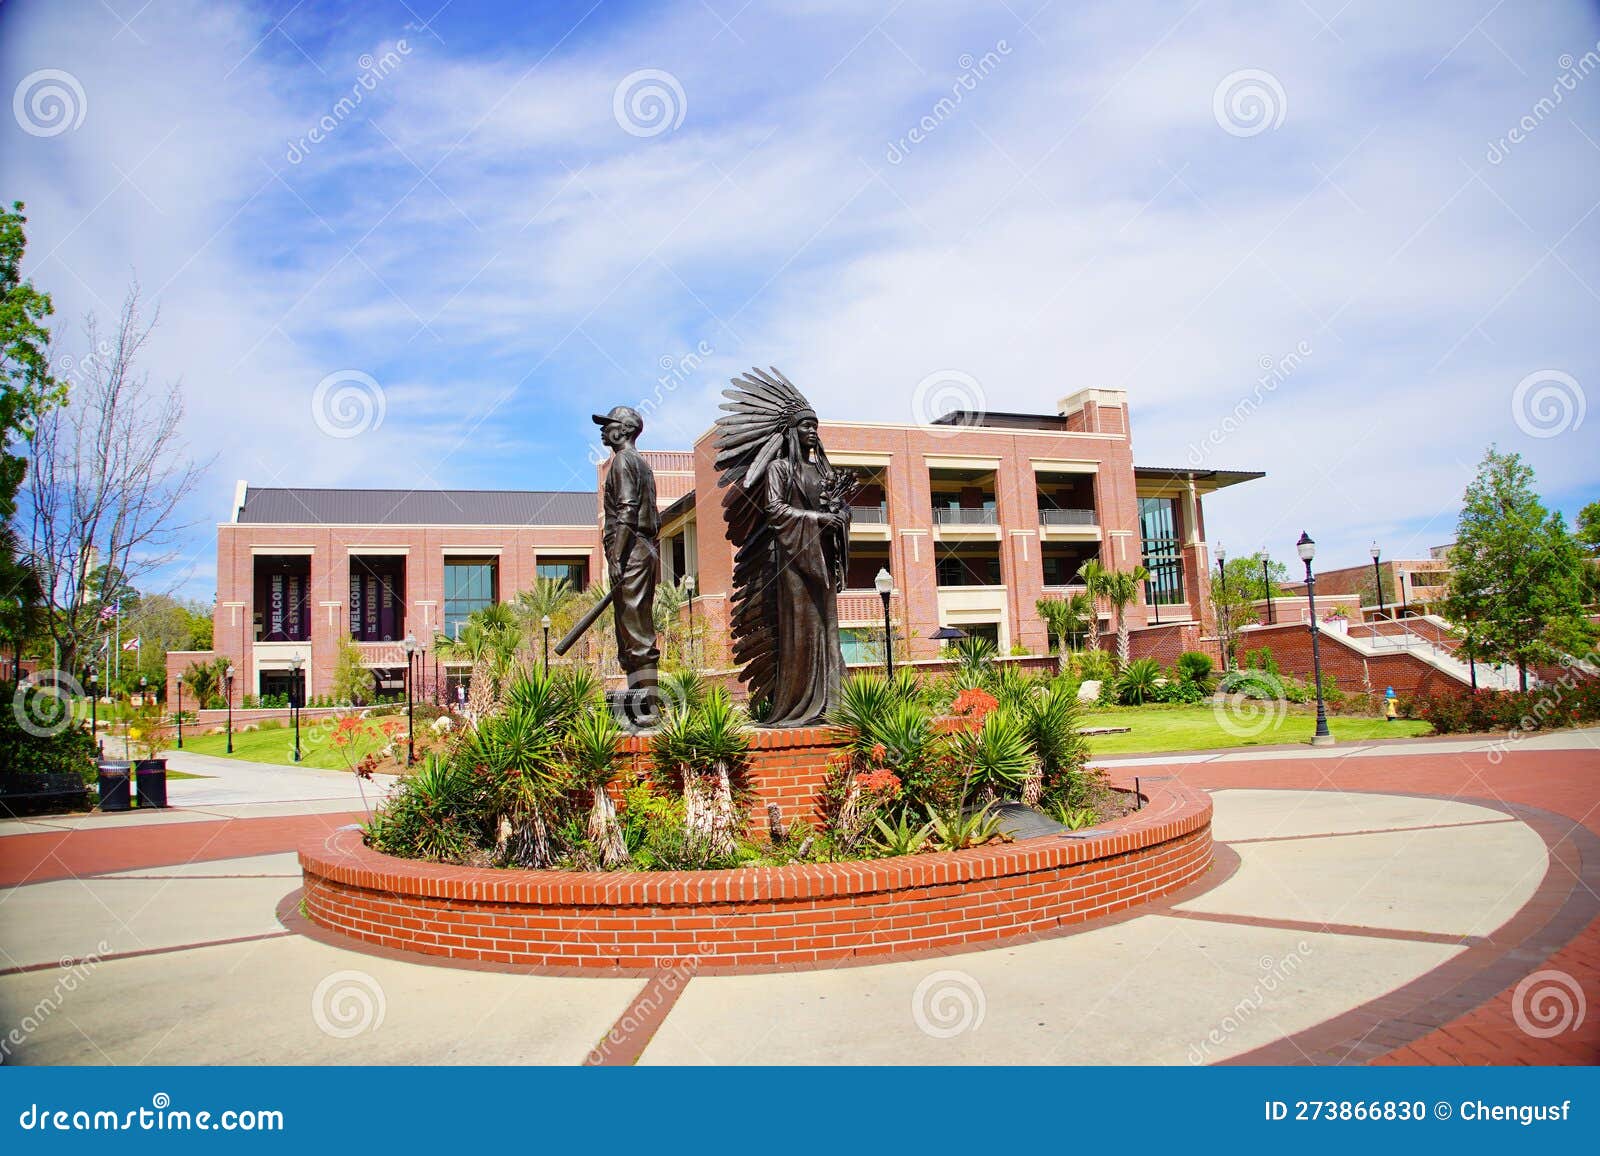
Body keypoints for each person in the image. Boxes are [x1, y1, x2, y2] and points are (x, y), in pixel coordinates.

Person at [593, 406, 661, 687]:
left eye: (609, 425)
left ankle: (649, 706)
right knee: (629, 630)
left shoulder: (623, 461)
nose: (603, 430)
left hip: (632, 551)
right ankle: (640, 702)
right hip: (638, 550)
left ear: (626, 430)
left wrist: (616, 558)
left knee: (635, 631)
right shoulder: (639, 463)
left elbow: (628, 510)